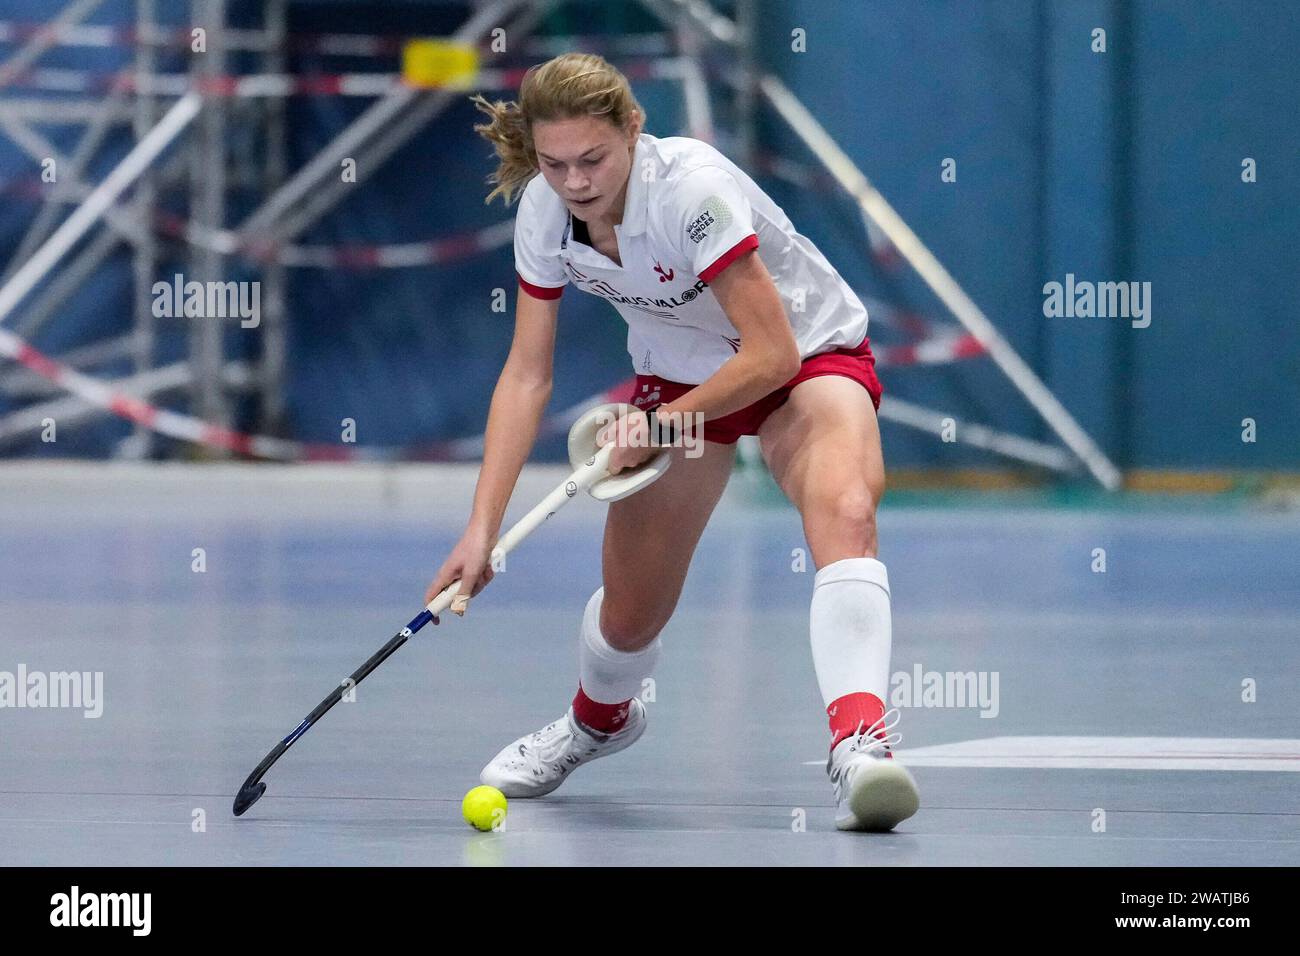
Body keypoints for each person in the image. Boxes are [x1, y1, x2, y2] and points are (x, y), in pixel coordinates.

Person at [425, 52, 918, 831]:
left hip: (802, 358)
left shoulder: (692, 192)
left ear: (632, 128)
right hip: (682, 384)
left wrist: (653, 424)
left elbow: (773, 355)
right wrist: (481, 528)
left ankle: (861, 745)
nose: (576, 181)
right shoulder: (544, 217)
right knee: (628, 615)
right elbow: (526, 377)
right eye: (554, 164)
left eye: (593, 158)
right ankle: (598, 722)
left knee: (846, 510)